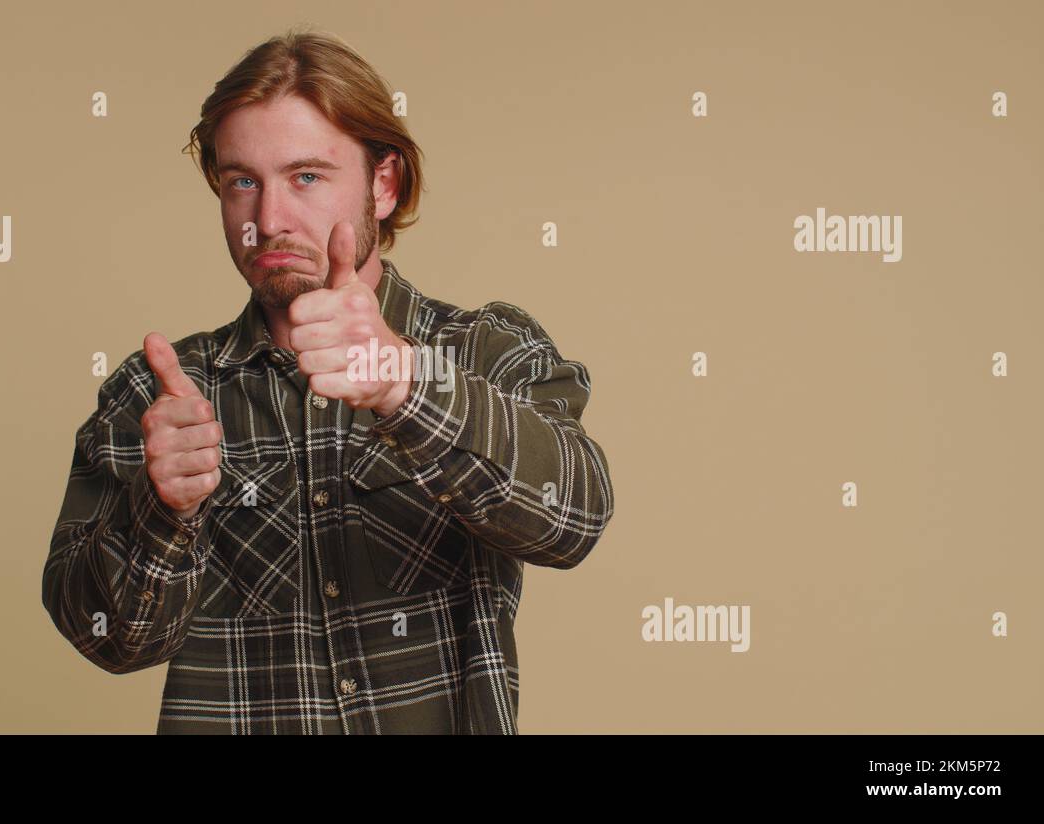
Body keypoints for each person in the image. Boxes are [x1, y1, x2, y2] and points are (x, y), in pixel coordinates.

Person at [41, 28, 615, 734]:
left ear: (384, 183)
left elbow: (575, 517)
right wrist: (162, 509)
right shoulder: (159, 397)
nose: (269, 220)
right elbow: (109, 640)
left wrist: (406, 387)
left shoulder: (483, 350)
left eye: (306, 176)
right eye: (241, 182)